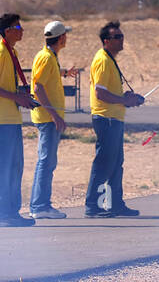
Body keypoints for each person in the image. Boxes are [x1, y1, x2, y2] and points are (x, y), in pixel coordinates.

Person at [0, 13, 40, 226]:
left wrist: (21, 96)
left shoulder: (11, 51)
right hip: (0, 120)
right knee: (3, 168)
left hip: (11, 118)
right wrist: (16, 97)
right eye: (18, 27)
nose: (21, 30)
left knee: (15, 167)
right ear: (8, 30)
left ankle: (11, 212)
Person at [84, 20, 145, 218]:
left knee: (116, 163)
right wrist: (123, 101)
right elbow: (100, 93)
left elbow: (109, 91)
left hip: (115, 118)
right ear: (106, 41)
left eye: (121, 36)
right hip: (106, 118)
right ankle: (94, 205)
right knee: (104, 163)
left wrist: (127, 99)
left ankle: (115, 204)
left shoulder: (110, 59)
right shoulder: (102, 60)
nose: (121, 40)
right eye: (117, 37)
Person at [29, 20, 78, 219]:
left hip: (48, 117)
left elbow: (47, 75)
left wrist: (64, 72)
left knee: (48, 161)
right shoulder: (46, 58)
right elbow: (38, 87)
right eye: (65, 34)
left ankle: (41, 204)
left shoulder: (49, 57)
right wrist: (55, 115)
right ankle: (40, 206)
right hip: (47, 119)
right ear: (61, 38)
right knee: (46, 161)